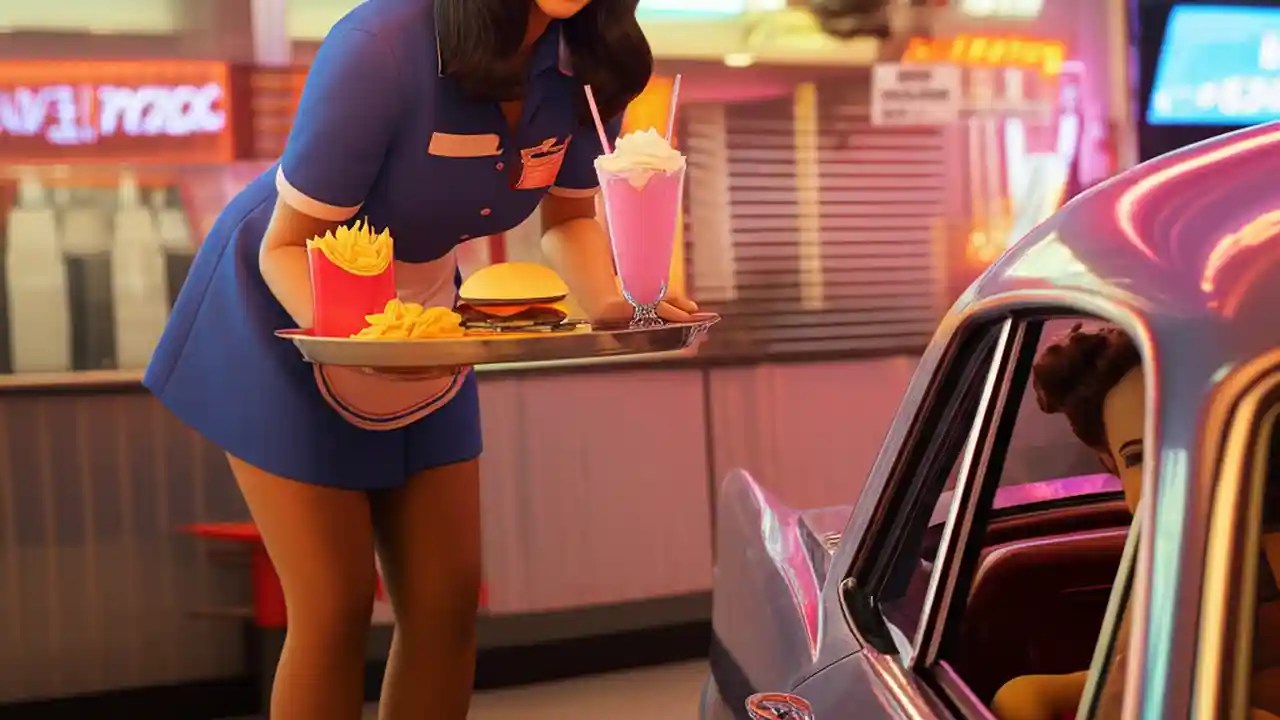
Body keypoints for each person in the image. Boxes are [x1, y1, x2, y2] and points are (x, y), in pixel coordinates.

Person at [143, 1, 697, 718]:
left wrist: (623, 304)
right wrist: (361, 338)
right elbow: (285, 242)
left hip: (428, 313)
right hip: (288, 302)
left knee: (446, 601)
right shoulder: (380, 46)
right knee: (333, 607)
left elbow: (568, 219)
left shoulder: (585, 57)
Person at [991, 325, 1280, 720]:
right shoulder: (1172, 556)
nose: (1180, 470)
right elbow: (1133, 679)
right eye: (1139, 457)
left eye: (1219, 438)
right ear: (1110, 464)